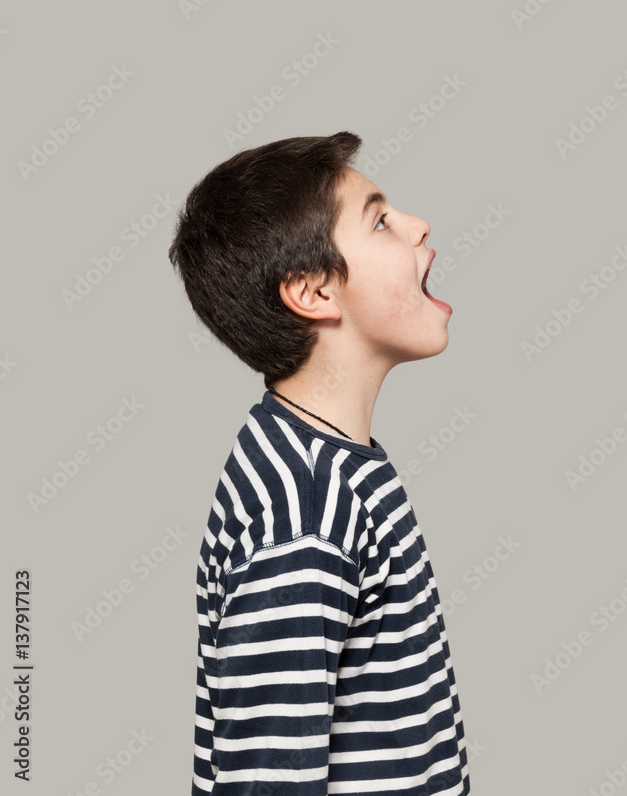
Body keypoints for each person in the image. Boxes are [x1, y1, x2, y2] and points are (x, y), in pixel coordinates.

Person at [168, 131, 471, 795]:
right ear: (312, 292)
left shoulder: (326, 465)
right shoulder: (304, 511)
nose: (418, 225)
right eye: (382, 221)